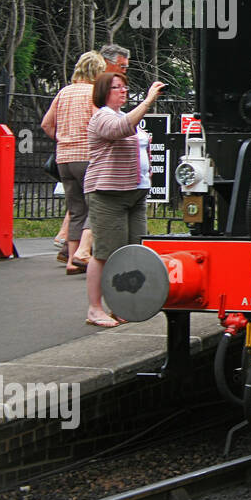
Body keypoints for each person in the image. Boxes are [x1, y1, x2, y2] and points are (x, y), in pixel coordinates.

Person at [83, 71, 165, 327]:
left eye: (125, 86)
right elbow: (120, 130)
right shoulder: (102, 117)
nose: (123, 91)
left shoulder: (123, 116)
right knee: (105, 253)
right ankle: (95, 309)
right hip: (108, 194)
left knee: (133, 252)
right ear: (103, 92)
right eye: (117, 87)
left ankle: (121, 306)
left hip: (135, 193)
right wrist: (149, 100)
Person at [41, 51, 106, 274]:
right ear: (97, 71)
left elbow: (46, 125)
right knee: (97, 205)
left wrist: (62, 139)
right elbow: (102, 123)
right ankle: (84, 253)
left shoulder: (63, 93)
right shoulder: (94, 94)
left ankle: (70, 261)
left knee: (76, 209)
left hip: (64, 158)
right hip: (88, 157)